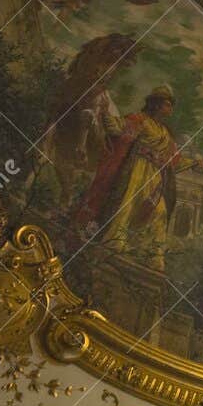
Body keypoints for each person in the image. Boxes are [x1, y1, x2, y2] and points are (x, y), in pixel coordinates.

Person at [75, 85, 194, 270]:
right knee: (128, 204)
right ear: (156, 105)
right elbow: (117, 129)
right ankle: (115, 242)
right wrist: (106, 112)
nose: (170, 109)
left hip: (155, 177)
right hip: (136, 169)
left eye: (171, 105)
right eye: (167, 104)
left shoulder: (166, 132)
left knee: (160, 211)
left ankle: (152, 254)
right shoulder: (140, 120)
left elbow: (174, 159)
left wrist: (195, 163)